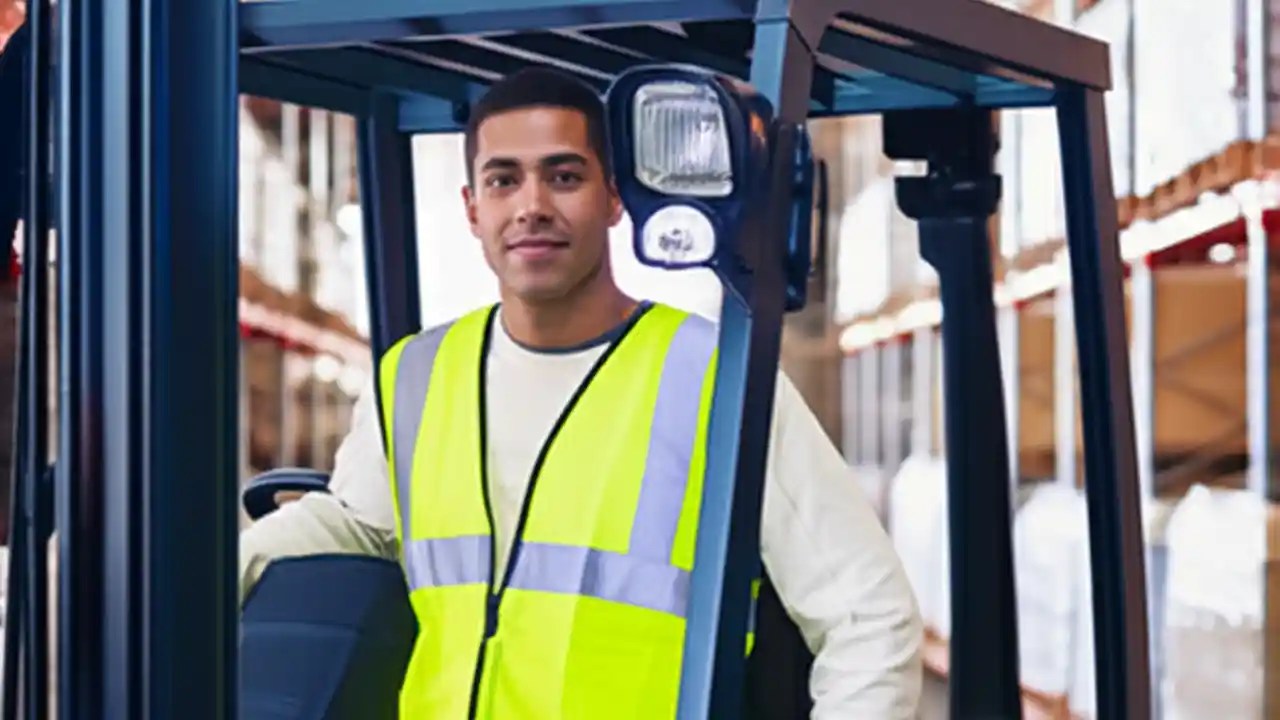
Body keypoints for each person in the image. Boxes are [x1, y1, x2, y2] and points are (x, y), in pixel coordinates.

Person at [239, 67, 923, 718]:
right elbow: (359, 523)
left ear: (615, 197)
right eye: (504, 180)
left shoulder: (714, 377)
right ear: (473, 208)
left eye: (563, 177)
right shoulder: (416, 374)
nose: (532, 206)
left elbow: (868, 616)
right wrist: (207, 573)